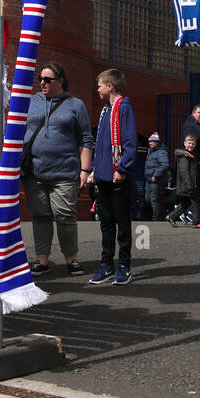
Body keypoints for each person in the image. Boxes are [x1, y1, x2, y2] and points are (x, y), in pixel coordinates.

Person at [22, 62, 93, 276]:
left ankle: (72, 258)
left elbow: (85, 138)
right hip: (34, 171)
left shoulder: (75, 104)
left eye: (47, 79)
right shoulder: (30, 102)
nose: (42, 83)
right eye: (40, 79)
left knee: (65, 215)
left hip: (65, 172)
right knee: (40, 216)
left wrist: (84, 170)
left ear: (60, 81)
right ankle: (42, 260)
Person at [89, 69, 136, 285]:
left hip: (118, 177)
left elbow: (129, 144)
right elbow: (101, 146)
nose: (97, 89)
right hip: (103, 177)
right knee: (105, 224)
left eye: (100, 85)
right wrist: (94, 170)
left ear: (111, 86)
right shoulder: (105, 111)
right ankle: (106, 264)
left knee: (122, 224)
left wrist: (122, 168)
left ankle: (124, 266)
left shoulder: (124, 108)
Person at [168, 134, 200, 228]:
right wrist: (190, 185)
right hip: (187, 184)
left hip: (186, 184)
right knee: (195, 201)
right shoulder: (185, 156)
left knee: (186, 203)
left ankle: (171, 216)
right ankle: (196, 222)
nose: (191, 145)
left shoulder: (189, 155)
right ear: (185, 143)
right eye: (189, 143)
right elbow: (184, 171)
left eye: (193, 144)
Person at [144, 132, 170, 221]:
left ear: (156, 142)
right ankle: (154, 216)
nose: (149, 143)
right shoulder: (151, 151)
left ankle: (156, 219)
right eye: (149, 141)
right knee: (147, 199)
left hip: (155, 180)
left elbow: (165, 165)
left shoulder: (161, 152)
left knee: (154, 199)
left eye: (151, 141)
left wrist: (156, 175)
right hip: (149, 180)